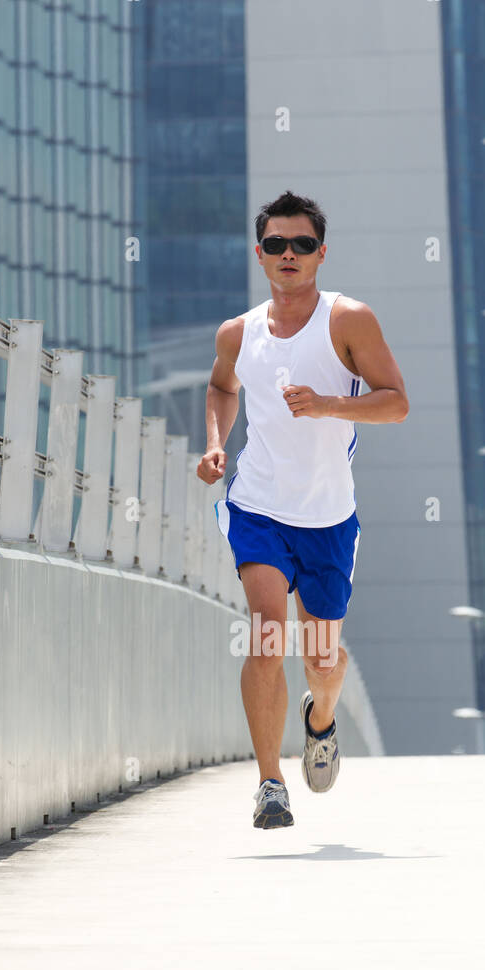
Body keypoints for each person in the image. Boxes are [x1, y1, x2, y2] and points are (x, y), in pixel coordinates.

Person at [197, 189, 408, 828]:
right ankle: (269, 784)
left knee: (321, 655)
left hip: (328, 518)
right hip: (258, 506)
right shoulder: (239, 331)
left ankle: (320, 719)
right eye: (276, 244)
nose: (289, 255)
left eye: (303, 244)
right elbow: (219, 386)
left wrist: (327, 405)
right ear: (260, 254)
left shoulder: (349, 320)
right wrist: (214, 443)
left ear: (321, 251)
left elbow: (395, 400)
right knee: (266, 634)